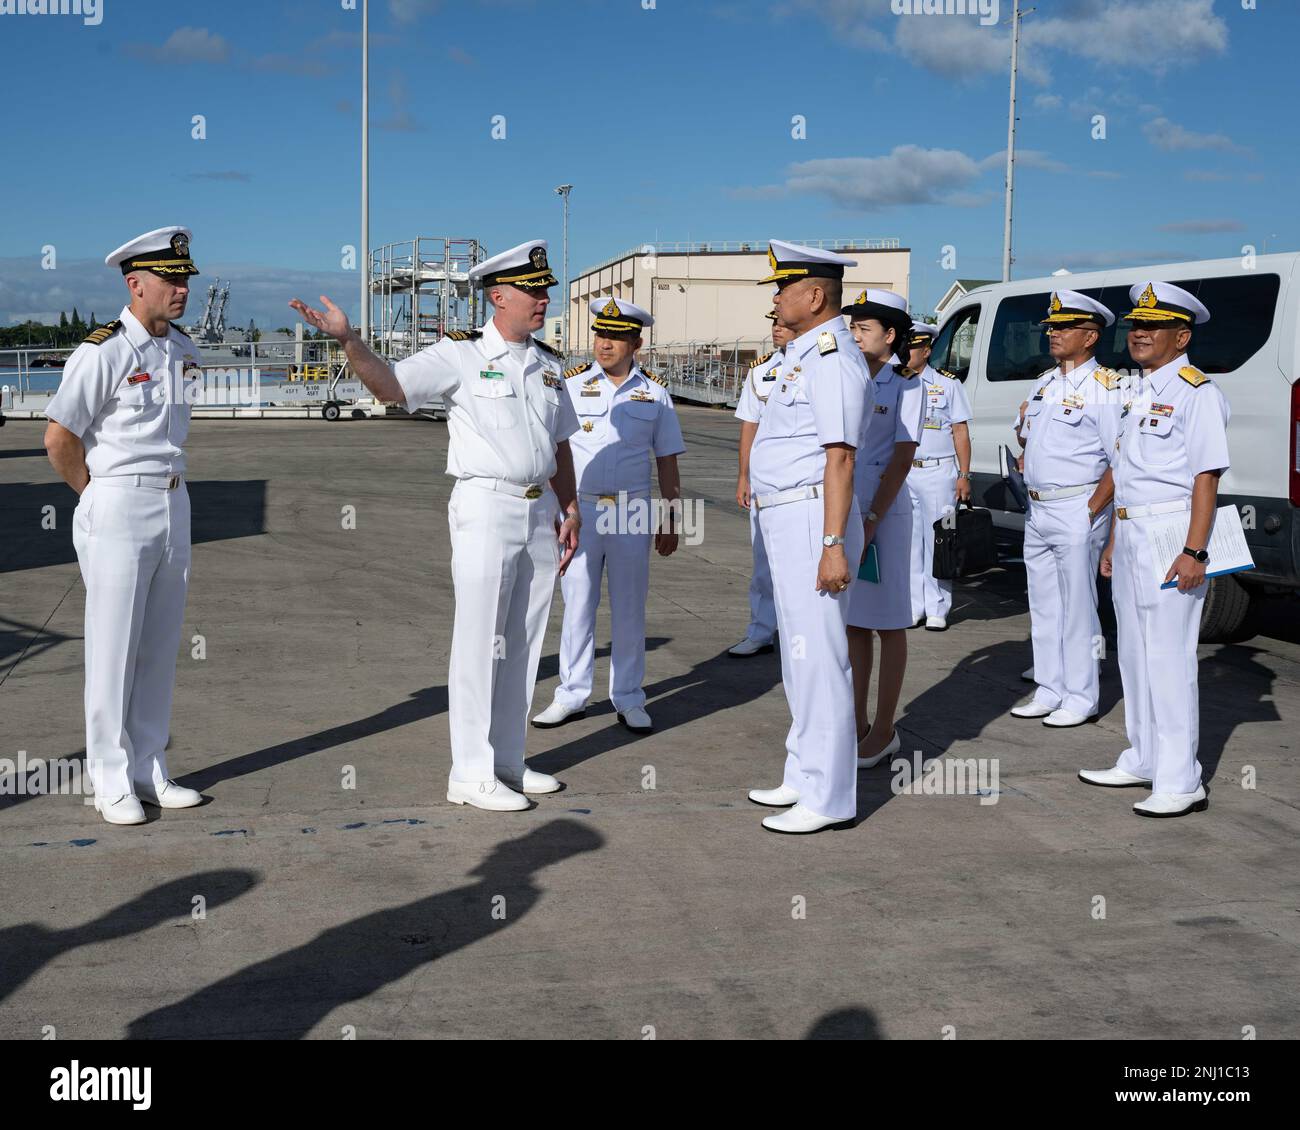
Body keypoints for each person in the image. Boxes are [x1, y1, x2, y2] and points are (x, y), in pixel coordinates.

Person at [290, 240, 582, 812]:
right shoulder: (459, 354)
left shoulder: (549, 364)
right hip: (486, 506)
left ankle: (507, 759)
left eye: (546, 289)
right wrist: (350, 340)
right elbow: (390, 387)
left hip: (540, 509)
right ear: (499, 296)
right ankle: (469, 773)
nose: (544, 299)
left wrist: (569, 508)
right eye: (532, 290)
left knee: (523, 641)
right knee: (480, 640)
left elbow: (562, 444)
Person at [43, 226, 206, 825]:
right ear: (135, 284)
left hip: (174, 501)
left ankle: (148, 767)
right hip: (117, 502)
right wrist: (95, 495)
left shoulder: (183, 349)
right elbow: (59, 437)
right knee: (113, 649)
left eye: (185, 279)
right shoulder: (103, 351)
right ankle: (110, 780)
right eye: (170, 279)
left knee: (159, 646)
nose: (182, 289)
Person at [1080, 282, 1228, 817]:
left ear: (1181, 337)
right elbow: (1128, 475)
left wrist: (1196, 551)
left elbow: (1206, 477)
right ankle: (1142, 757)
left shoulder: (1197, 392)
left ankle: (1181, 778)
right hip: (1131, 532)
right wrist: (1114, 540)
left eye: (1153, 327)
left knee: (1168, 656)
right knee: (1135, 654)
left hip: (1172, 532)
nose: (1139, 334)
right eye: (1136, 326)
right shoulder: (1134, 391)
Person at [746, 241, 870, 834]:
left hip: (813, 517)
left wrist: (832, 544)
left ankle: (829, 797)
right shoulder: (802, 357)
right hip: (786, 516)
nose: (775, 299)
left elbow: (840, 457)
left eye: (783, 288)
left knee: (820, 658)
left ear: (815, 296)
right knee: (798, 658)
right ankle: (803, 772)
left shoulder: (833, 359)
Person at [531, 297, 684, 734]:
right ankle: (571, 694)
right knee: (577, 602)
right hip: (580, 507)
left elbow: (667, 460)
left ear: (636, 343)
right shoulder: (570, 384)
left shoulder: (655, 394)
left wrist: (671, 517)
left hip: (631, 509)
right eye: (601, 334)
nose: (605, 343)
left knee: (629, 606)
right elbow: (554, 450)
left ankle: (629, 697)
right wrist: (555, 508)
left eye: (616, 337)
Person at [1010, 290, 1124, 728]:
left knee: (1078, 606)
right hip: (1038, 508)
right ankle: (1049, 688)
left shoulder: (1106, 388)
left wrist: (1092, 509)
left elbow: (1121, 458)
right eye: (1051, 327)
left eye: (1064, 327)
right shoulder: (1044, 383)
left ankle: (1080, 695)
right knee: (1043, 603)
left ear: (1091, 336)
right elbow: (1026, 437)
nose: (1053, 334)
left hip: (1077, 505)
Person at [842, 289, 923, 769]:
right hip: (846, 507)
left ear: (890, 335)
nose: (855, 335)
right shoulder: (849, 375)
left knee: (889, 623)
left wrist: (873, 518)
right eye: (852, 327)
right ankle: (854, 721)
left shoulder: (907, 385)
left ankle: (885, 728)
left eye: (864, 328)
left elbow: (902, 457)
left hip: (885, 514)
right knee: (854, 621)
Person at [730, 308, 791, 658]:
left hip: (806, 481)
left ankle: (800, 633)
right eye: (774, 322)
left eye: (783, 323)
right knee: (763, 561)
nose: (777, 328)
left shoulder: (821, 364)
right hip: (765, 483)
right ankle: (761, 630)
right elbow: (749, 424)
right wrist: (744, 475)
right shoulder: (760, 371)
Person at [904, 320, 972, 630]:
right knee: (909, 543)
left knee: (941, 541)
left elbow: (960, 431)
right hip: (906, 472)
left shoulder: (948, 384)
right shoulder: (898, 382)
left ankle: (938, 606)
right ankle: (913, 605)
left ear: (927, 351)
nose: (907, 353)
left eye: (913, 347)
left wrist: (964, 474)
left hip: (939, 472)